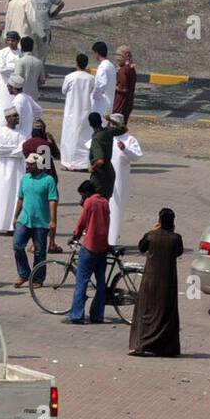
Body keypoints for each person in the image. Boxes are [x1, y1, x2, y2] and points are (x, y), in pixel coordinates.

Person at [129, 209, 183, 356]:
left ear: (159, 221)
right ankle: (166, 348)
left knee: (145, 312)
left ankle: (139, 345)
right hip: (168, 282)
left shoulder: (151, 236)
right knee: (166, 314)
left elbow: (141, 247)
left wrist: (152, 230)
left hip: (150, 281)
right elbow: (179, 252)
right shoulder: (176, 238)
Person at [12, 153, 58, 287]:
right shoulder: (25, 178)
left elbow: (52, 201)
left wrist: (53, 220)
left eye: (31, 164)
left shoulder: (48, 180)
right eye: (27, 163)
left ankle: (38, 279)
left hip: (41, 222)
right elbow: (20, 198)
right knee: (17, 245)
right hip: (24, 220)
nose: (28, 166)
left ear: (38, 165)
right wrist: (15, 216)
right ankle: (24, 274)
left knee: (39, 252)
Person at [69, 181, 111, 324]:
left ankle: (77, 315)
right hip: (103, 247)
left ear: (86, 193)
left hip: (90, 248)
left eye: (82, 195)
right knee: (100, 284)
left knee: (82, 282)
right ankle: (97, 315)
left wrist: (75, 236)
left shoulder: (89, 203)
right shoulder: (105, 202)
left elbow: (81, 223)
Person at [108, 113, 143, 242]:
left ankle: (112, 241)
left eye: (114, 124)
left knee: (116, 209)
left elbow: (137, 156)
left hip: (119, 181)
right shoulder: (105, 136)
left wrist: (125, 149)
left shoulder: (129, 139)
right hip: (103, 179)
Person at [0, 30, 22, 126]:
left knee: (15, 107)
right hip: (4, 86)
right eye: (8, 40)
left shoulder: (21, 53)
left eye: (13, 40)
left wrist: (11, 68)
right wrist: (15, 67)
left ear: (18, 41)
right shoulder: (2, 53)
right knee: (2, 108)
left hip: (16, 87)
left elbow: (21, 69)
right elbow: (1, 69)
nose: (10, 42)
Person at [91, 41, 116, 115]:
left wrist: (94, 96)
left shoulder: (103, 67)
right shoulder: (111, 65)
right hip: (109, 101)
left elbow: (101, 84)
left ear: (97, 53)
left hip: (101, 104)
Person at [113, 46, 136, 121]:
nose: (117, 59)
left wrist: (112, 87)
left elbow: (123, 88)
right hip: (129, 101)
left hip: (121, 102)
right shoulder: (131, 69)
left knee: (115, 125)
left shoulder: (123, 70)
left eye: (118, 55)